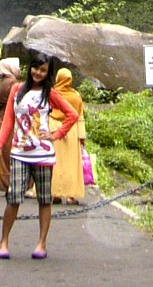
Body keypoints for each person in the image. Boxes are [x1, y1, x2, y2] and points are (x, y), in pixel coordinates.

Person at [0, 52, 78, 260]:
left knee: (44, 199)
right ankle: (3, 242)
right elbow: (9, 120)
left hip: (42, 154)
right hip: (19, 152)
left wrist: (56, 135)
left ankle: (41, 243)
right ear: (30, 68)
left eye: (43, 70)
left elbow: (72, 114)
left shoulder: (50, 93)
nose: (38, 73)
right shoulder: (17, 89)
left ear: (48, 73)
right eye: (36, 68)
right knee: (13, 197)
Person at [50, 67, 86, 204]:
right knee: (71, 165)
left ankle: (54, 194)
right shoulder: (76, 96)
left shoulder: (52, 94)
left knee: (55, 163)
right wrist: (82, 137)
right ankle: (70, 196)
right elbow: (80, 117)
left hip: (54, 131)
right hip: (72, 131)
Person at [0, 56, 20, 194]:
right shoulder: (12, 83)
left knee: (4, 151)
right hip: (11, 117)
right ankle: (12, 182)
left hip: (3, 116)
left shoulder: (2, 82)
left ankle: (5, 182)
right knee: (11, 150)